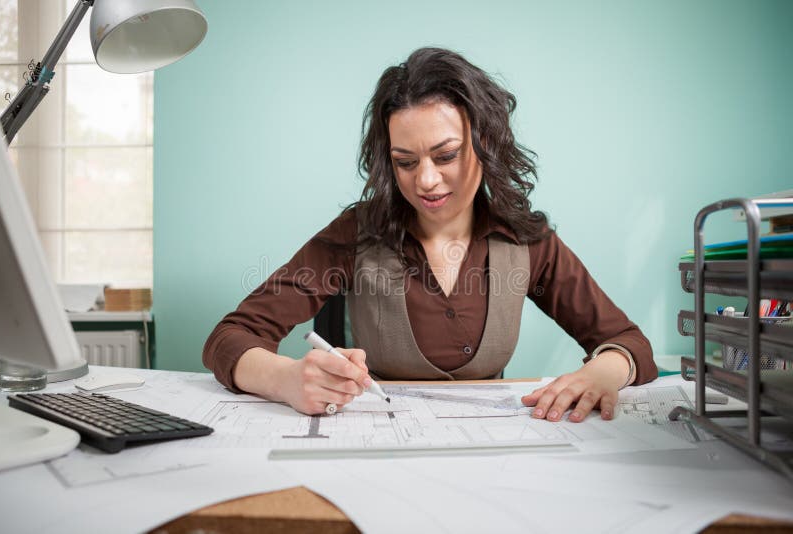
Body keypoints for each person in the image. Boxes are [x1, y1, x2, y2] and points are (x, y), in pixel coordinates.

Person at [203, 47, 657, 421]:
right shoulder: (356, 232)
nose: (425, 181)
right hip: (380, 444)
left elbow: (630, 343)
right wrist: (285, 380)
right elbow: (230, 336)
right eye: (405, 162)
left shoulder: (528, 240)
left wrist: (604, 371)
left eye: (445, 156)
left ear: (485, 144)